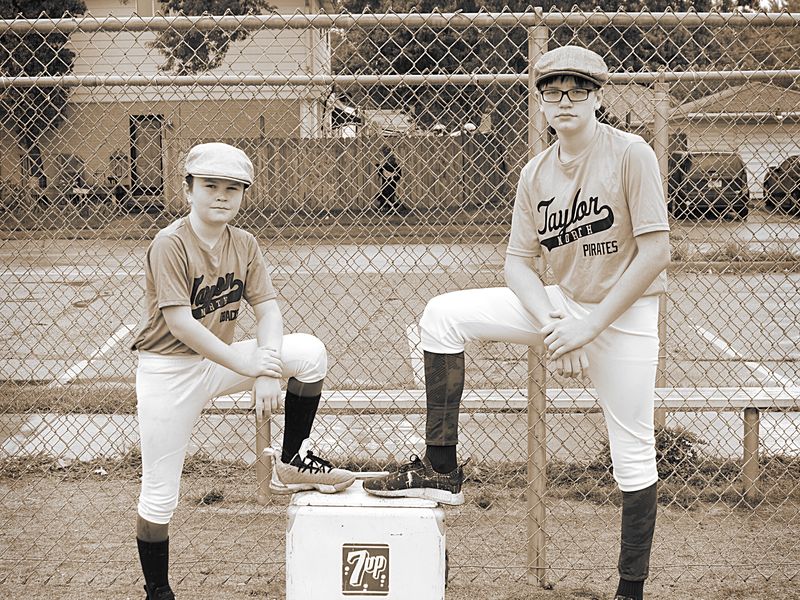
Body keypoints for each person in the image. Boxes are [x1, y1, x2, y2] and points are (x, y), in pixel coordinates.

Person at [364, 46, 671, 600]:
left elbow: (655, 253)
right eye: (553, 90)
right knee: (441, 316)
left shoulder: (631, 154)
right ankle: (441, 467)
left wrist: (588, 329)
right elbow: (516, 263)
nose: (565, 100)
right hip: (563, 306)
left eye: (578, 89)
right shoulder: (536, 172)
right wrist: (556, 324)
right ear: (542, 103)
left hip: (625, 314)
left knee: (633, 452)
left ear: (598, 96)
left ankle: (631, 590)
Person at [130, 142, 355, 600]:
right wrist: (248, 364)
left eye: (232, 188)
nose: (221, 195)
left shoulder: (245, 243)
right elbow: (180, 323)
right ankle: (158, 591)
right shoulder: (170, 243)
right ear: (188, 189)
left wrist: (267, 369)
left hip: (218, 362)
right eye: (210, 185)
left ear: (243, 194)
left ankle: (291, 463)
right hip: (168, 371)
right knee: (160, 492)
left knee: (309, 353)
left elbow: (268, 310)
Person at [374, 145, 408, 215]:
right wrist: (380, 168)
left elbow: (397, 176)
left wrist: (392, 175)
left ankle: (390, 207)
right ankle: (385, 207)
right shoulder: (384, 167)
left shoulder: (395, 167)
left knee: (391, 195)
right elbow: (382, 172)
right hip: (385, 185)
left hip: (392, 185)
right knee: (385, 194)